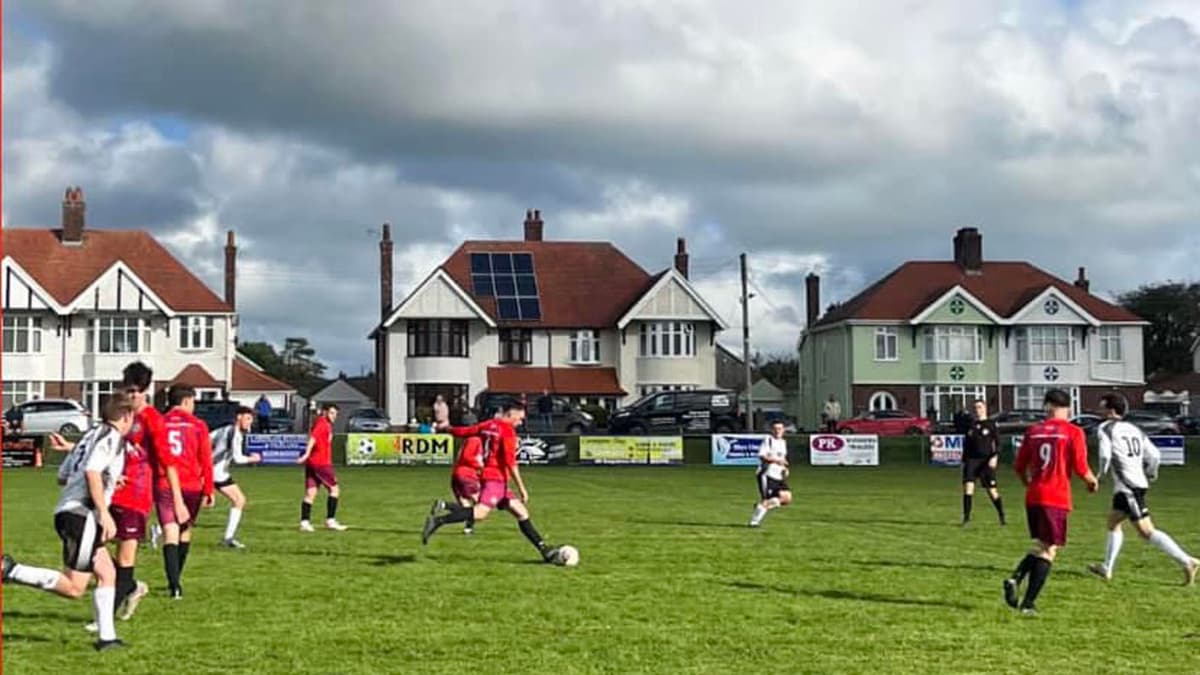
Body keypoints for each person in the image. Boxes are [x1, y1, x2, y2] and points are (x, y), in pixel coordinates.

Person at [2, 392, 137, 651]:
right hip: (82, 514)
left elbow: (64, 476)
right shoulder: (112, 438)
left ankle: (107, 639)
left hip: (72, 511)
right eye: (132, 416)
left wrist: (109, 480)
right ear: (126, 415)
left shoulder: (90, 436)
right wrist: (104, 511)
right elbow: (91, 472)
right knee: (75, 587)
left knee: (108, 574)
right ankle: (10, 570)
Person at [423, 401, 560, 562]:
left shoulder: (489, 425)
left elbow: (465, 431)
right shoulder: (507, 431)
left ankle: (545, 551)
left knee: (521, 512)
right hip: (495, 480)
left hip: (492, 478)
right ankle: (438, 521)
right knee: (480, 513)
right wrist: (522, 488)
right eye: (520, 418)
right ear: (511, 414)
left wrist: (447, 429)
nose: (520, 422)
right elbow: (510, 462)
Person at [1002, 389, 1098, 616]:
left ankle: (1017, 583)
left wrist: (1028, 484)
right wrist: (1091, 481)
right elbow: (1081, 466)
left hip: (1034, 495)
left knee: (1043, 546)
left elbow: (1018, 466)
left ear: (1047, 406)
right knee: (1048, 551)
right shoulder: (1072, 432)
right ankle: (1026, 601)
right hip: (1055, 497)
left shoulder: (1033, 431)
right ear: (1068, 408)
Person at [1087, 393, 1199, 585]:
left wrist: (1100, 476)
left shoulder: (1105, 428)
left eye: (1102, 406)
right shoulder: (1134, 429)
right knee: (1113, 522)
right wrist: (1151, 473)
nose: (1099, 409)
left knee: (1146, 531)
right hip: (1135, 484)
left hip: (1127, 486)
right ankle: (1107, 567)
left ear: (1111, 410)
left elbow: (1105, 456)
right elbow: (1154, 455)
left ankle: (1187, 561)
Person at [156, 385, 214, 600]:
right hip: (191, 485)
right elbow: (206, 459)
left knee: (170, 532)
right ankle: (176, 578)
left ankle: (174, 585)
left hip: (164, 484)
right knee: (185, 531)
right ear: (188, 401)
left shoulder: (159, 423)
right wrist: (209, 488)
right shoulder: (198, 425)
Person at [211, 406, 263, 549]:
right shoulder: (235, 434)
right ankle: (228, 539)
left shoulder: (224, 429)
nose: (249, 423)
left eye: (251, 420)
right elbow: (238, 459)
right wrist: (253, 459)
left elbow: (207, 439)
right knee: (239, 500)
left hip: (212, 472)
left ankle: (160, 529)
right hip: (217, 473)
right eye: (247, 418)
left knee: (237, 500)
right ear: (239, 417)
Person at [296, 404, 348, 532]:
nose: (334, 416)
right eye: (331, 413)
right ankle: (330, 520)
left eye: (335, 414)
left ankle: (305, 522)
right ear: (324, 412)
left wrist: (307, 457)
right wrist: (306, 454)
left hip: (312, 463)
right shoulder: (323, 424)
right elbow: (313, 438)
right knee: (335, 490)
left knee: (310, 493)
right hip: (321, 463)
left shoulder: (320, 422)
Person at [961, 399, 1005, 526]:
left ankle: (1001, 515)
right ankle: (966, 518)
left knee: (992, 491)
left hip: (986, 461)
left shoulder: (991, 424)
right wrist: (964, 461)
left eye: (979, 407)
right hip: (972, 460)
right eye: (975, 408)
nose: (977, 410)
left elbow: (998, 443)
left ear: (985, 408)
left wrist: (994, 457)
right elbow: (967, 445)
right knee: (968, 488)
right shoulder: (971, 425)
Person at [750, 420, 792, 527]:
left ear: (783, 430)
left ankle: (761, 506)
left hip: (778, 475)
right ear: (772, 430)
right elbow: (762, 456)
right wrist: (777, 461)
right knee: (767, 500)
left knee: (787, 498)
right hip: (767, 474)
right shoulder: (768, 440)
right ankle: (754, 522)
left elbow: (782, 458)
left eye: (780, 429)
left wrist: (784, 468)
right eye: (775, 429)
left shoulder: (783, 442)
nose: (777, 431)